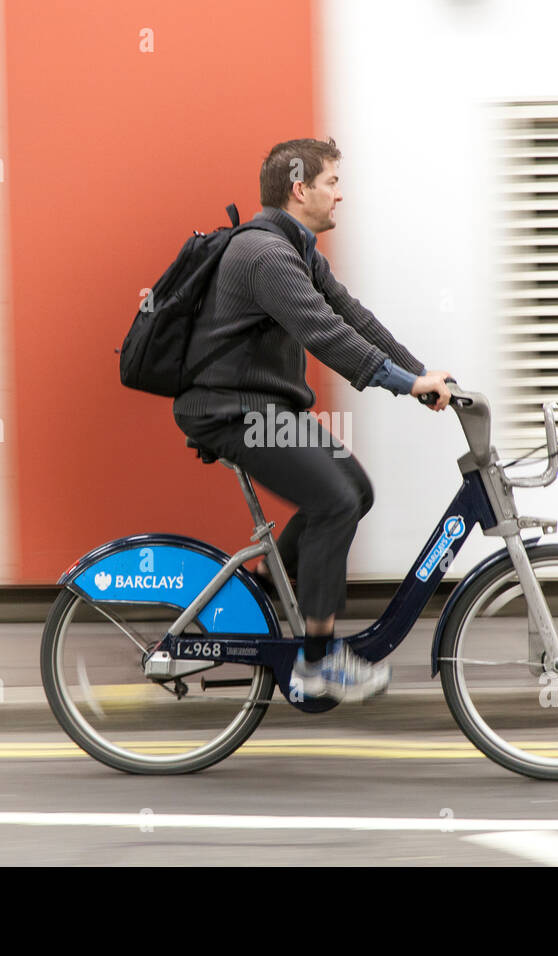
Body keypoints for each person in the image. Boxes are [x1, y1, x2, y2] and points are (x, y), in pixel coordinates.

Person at [173, 137, 452, 703]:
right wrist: (405, 384)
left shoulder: (294, 248)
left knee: (355, 488)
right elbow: (326, 336)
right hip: (233, 413)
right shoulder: (265, 256)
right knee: (335, 502)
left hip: (263, 410)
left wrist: (423, 376)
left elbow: (353, 317)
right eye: (332, 183)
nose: (340, 195)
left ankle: (261, 596)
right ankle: (318, 663)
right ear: (300, 189)